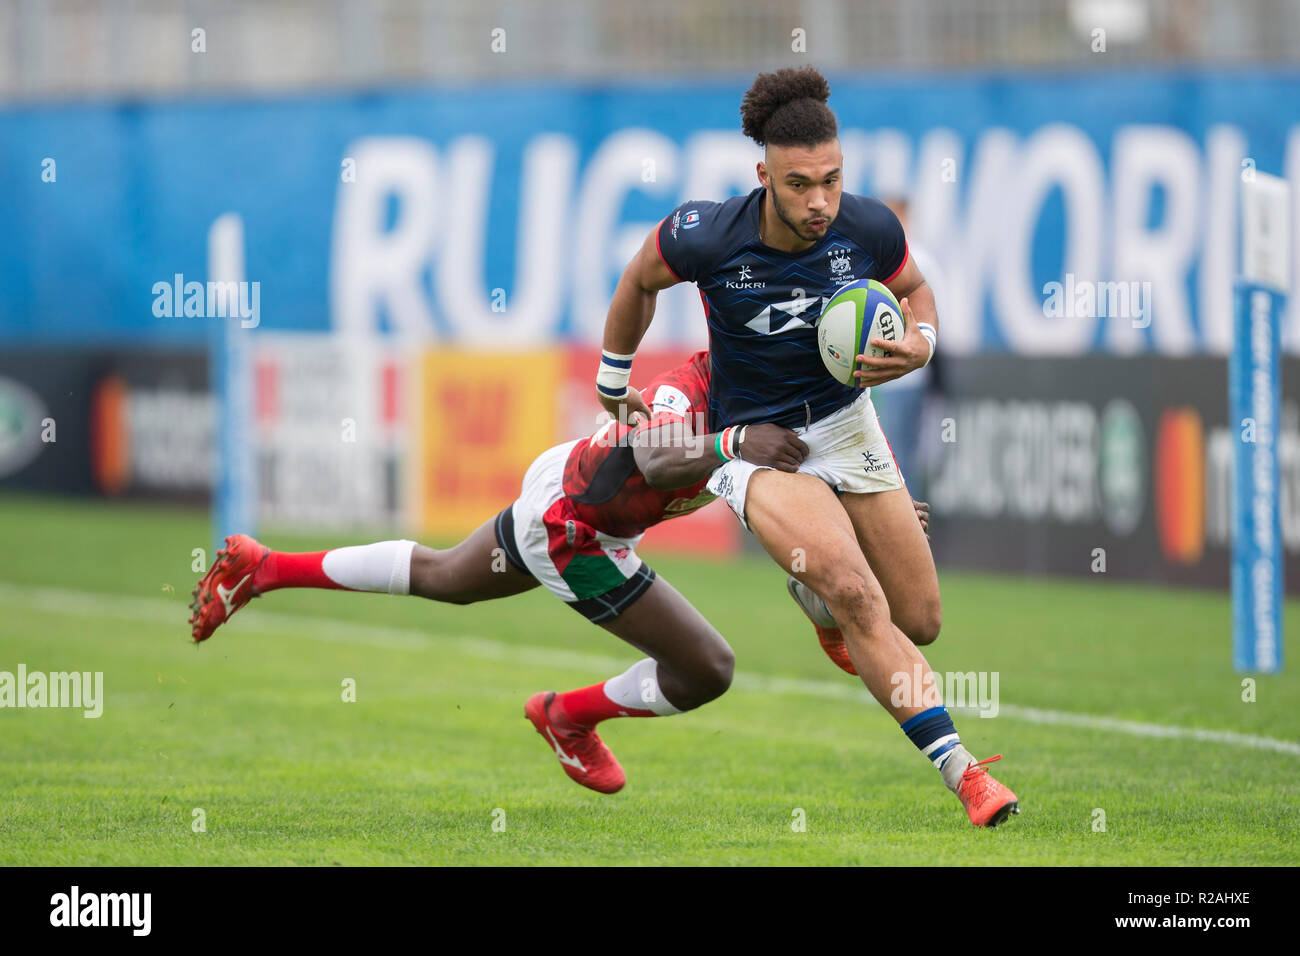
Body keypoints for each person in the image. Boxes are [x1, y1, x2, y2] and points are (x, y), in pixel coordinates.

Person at [189, 350, 928, 796]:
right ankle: (570, 716)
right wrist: (736, 440)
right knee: (708, 667)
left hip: (568, 490)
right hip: (576, 528)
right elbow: (657, 456)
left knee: (446, 576)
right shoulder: (694, 387)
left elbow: (801, 491)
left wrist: (874, 511)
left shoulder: (773, 409)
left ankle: (263, 568)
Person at [594, 66, 1019, 826]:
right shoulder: (706, 233)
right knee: (860, 595)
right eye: (798, 185)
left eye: (831, 179)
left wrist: (920, 342)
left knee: (917, 619)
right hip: (759, 445)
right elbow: (638, 280)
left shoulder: (869, 228)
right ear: (764, 175)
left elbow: (917, 290)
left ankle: (818, 605)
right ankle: (966, 774)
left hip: (849, 426)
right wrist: (611, 374)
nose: (819, 201)